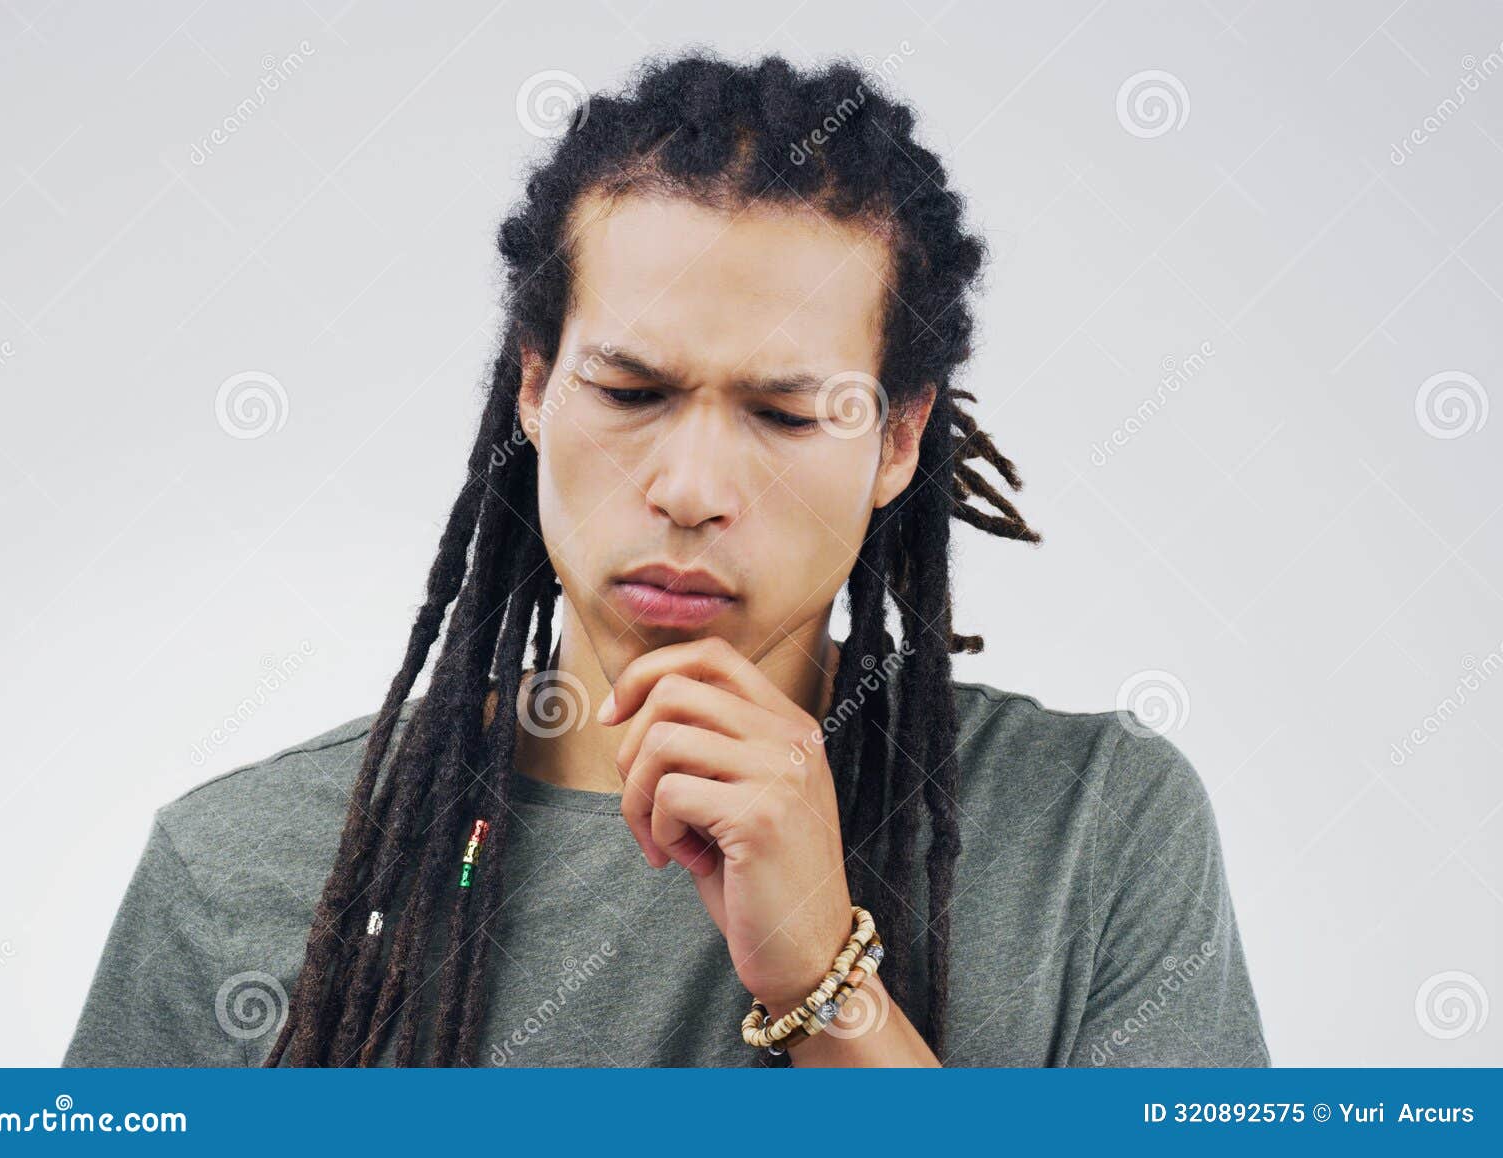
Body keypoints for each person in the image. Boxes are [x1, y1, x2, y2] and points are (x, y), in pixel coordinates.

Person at [63, 50, 1269, 1069]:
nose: (690, 490)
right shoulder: (237, 869)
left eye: (787, 415)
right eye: (631, 391)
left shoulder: (1094, 830)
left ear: (899, 437)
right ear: (534, 389)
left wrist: (824, 981)